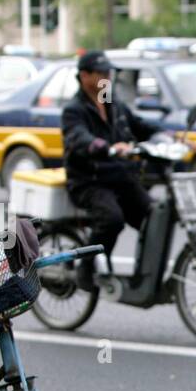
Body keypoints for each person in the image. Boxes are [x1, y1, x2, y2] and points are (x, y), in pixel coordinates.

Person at [61, 50, 158, 291]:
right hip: (89, 182)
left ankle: (143, 274)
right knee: (112, 219)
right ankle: (86, 266)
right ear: (84, 76)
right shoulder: (74, 110)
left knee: (154, 217)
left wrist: (169, 136)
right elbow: (79, 138)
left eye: (109, 72)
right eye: (102, 73)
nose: (108, 77)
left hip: (121, 178)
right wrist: (107, 147)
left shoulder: (111, 102)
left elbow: (141, 126)